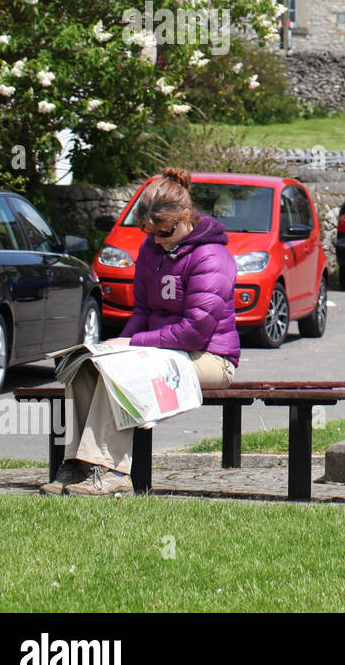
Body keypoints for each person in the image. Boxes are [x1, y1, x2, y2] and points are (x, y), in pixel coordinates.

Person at [41, 168, 240, 496]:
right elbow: (144, 311)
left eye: (164, 232)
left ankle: (112, 472)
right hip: (161, 351)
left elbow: (194, 332)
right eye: (151, 233)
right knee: (88, 367)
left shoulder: (212, 258)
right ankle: (78, 465)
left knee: (120, 373)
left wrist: (133, 343)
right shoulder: (151, 249)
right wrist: (114, 346)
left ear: (185, 218)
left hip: (210, 358)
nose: (157, 240)